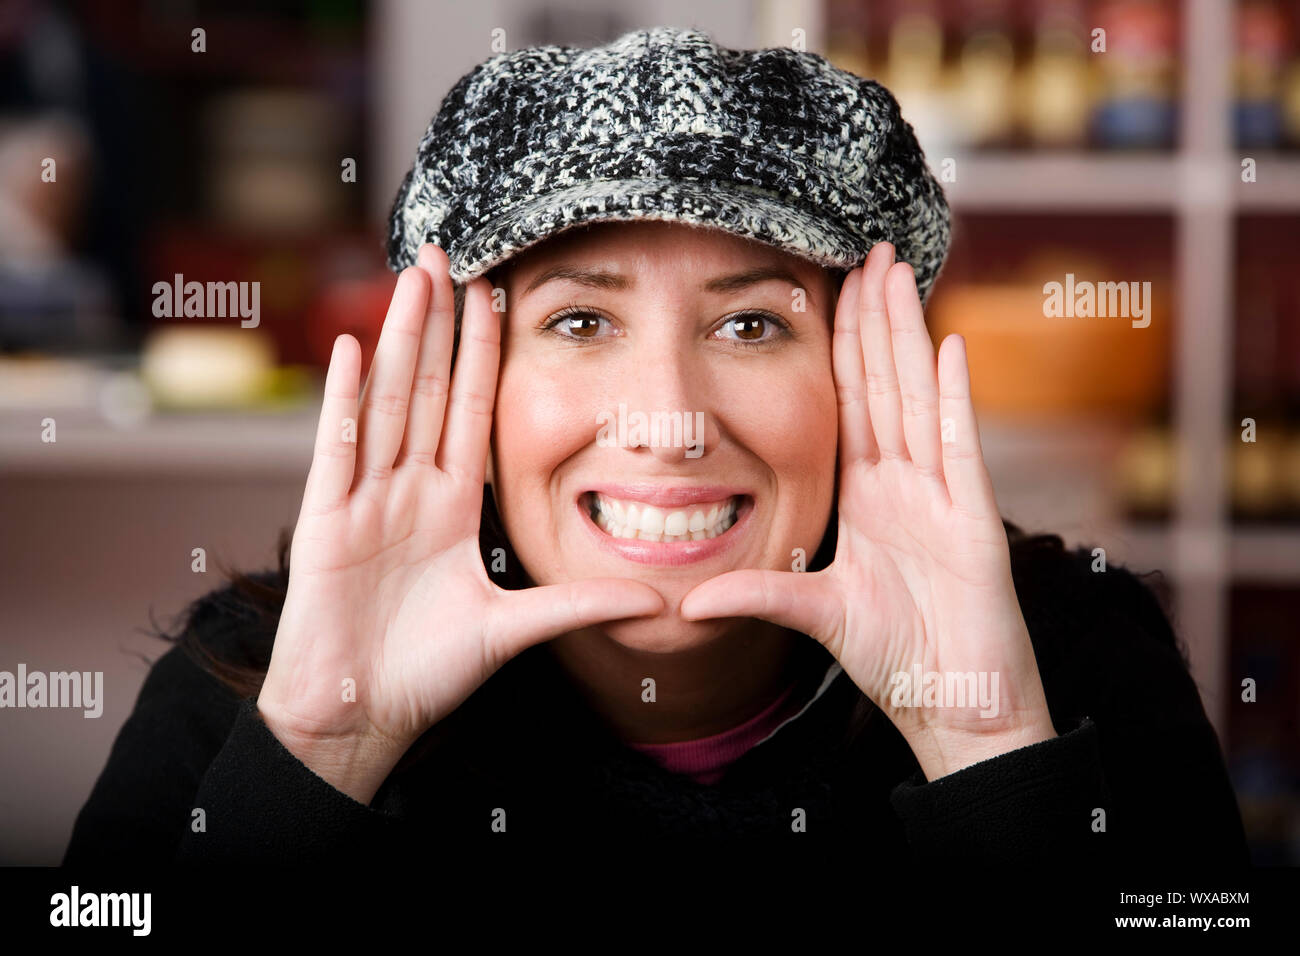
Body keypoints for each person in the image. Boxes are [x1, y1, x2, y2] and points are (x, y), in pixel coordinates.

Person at [64, 26, 1248, 865]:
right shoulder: (260, 678)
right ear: (466, 381)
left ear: (860, 371)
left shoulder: (1068, 660)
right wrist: (316, 759)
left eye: (750, 324)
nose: (670, 419)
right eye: (580, 322)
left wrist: (989, 754)